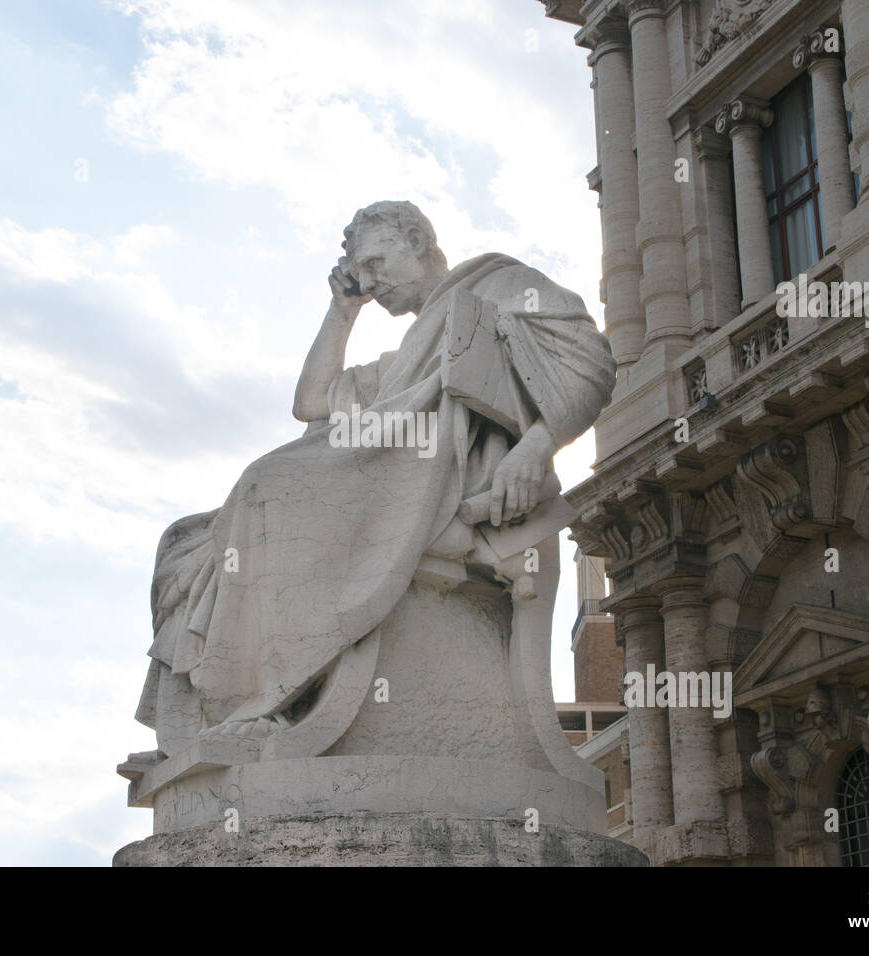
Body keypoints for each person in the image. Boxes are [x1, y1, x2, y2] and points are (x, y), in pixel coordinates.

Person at [135, 201, 615, 757]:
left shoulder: (498, 285)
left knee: (267, 483)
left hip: (443, 481)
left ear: (418, 241)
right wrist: (343, 309)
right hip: (385, 477)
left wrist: (536, 447)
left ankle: (271, 703)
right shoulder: (402, 361)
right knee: (185, 540)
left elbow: (592, 362)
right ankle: (203, 719)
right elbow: (310, 402)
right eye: (361, 272)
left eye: (378, 262)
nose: (371, 281)